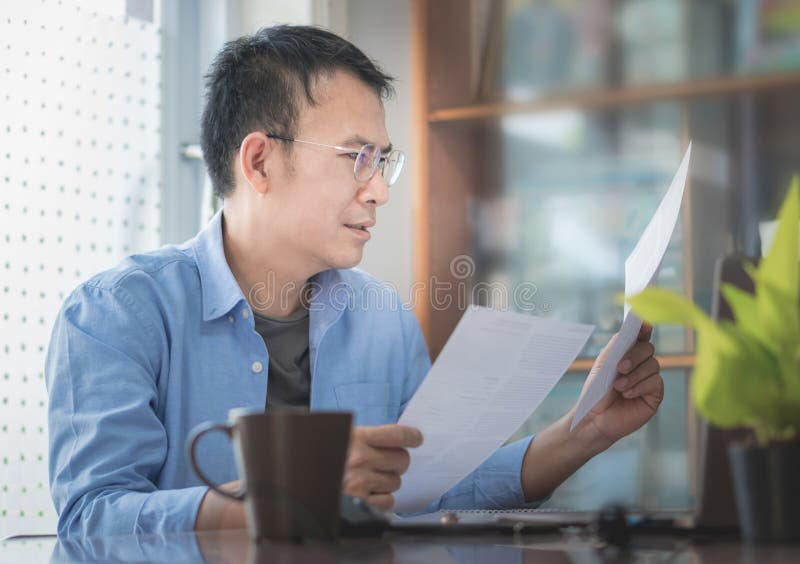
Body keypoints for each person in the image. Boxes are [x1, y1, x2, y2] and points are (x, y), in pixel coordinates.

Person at [45, 25, 664, 538]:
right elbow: (92, 518)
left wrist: (581, 435)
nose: (381, 189)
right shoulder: (116, 313)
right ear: (259, 161)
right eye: (356, 156)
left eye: (383, 159)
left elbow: (427, 488)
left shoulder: (382, 319)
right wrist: (284, 496)